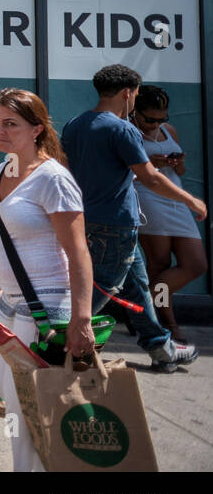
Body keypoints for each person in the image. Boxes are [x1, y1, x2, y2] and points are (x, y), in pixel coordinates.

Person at [62, 64, 205, 371]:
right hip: (116, 226)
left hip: (86, 221)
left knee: (138, 285)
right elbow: (151, 178)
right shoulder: (122, 129)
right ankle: (55, 344)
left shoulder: (75, 124)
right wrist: (191, 199)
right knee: (96, 292)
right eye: (136, 94)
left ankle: (160, 347)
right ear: (128, 93)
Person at [0, 88, 94, 472]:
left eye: (11, 124)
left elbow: (79, 253)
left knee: (29, 408)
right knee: (8, 395)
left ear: (37, 129)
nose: (0, 131)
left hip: (45, 307)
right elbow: (4, 231)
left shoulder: (53, 179)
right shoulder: (4, 168)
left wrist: (81, 319)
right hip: (10, 303)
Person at [130, 85, 207, 343]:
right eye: (149, 119)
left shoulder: (168, 131)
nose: (155, 124)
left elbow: (181, 173)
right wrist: (152, 165)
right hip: (148, 199)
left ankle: (142, 305)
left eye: (161, 118)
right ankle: (169, 324)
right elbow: (125, 173)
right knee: (159, 266)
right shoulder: (128, 132)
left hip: (176, 198)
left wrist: (177, 162)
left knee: (196, 264)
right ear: (136, 112)